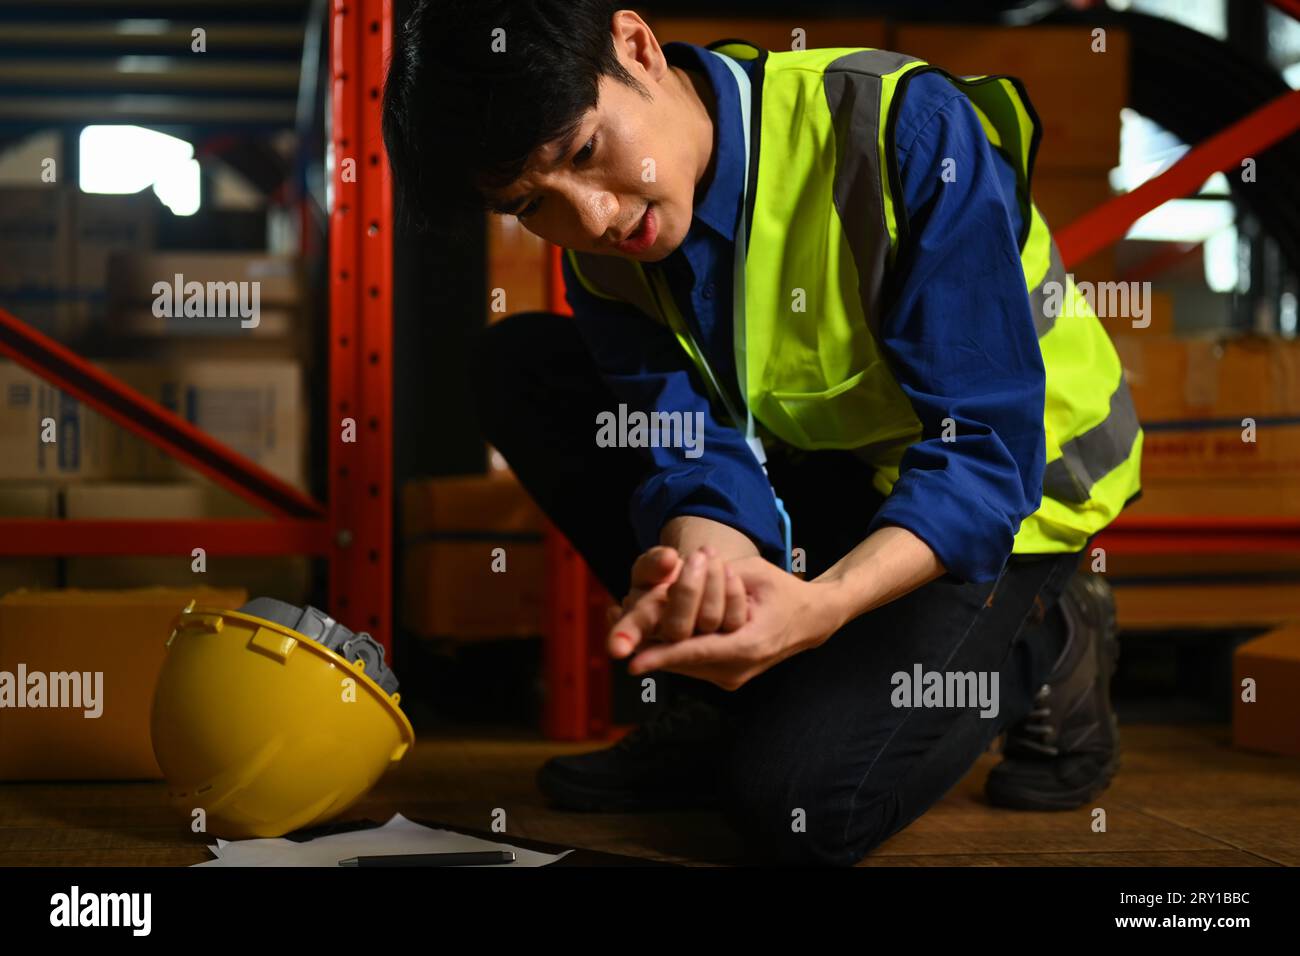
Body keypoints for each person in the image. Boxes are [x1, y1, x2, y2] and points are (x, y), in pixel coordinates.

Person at [382, 0, 1141, 866]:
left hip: (1014, 494)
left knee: (801, 811)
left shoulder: (901, 127)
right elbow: (686, 442)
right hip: (841, 469)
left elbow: (983, 451)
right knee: (522, 366)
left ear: (637, 46)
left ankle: (1047, 629)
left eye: (584, 151)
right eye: (529, 203)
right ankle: (717, 696)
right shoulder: (606, 246)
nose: (588, 218)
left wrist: (825, 607)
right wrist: (708, 565)